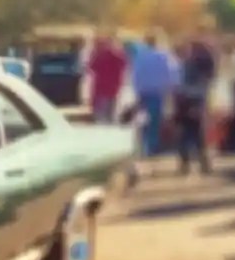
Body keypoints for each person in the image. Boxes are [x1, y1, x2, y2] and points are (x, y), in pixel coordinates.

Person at [130, 32, 179, 165]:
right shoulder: (164, 56)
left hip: (143, 91)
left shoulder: (140, 56)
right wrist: (171, 88)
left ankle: (142, 146)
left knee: (142, 120)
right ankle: (151, 146)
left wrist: (136, 89)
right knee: (155, 120)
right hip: (158, 92)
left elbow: (135, 74)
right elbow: (172, 73)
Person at [174, 39, 216, 175]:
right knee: (197, 132)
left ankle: (186, 165)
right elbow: (206, 82)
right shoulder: (198, 65)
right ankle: (202, 164)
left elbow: (177, 84)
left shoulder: (186, 64)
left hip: (186, 99)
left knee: (187, 132)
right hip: (194, 99)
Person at [87, 34, 127, 124]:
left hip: (101, 89)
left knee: (101, 117)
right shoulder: (118, 55)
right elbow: (124, 65)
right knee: (110, 116)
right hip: (113, 88)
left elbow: (91, 67)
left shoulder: (99, 55)